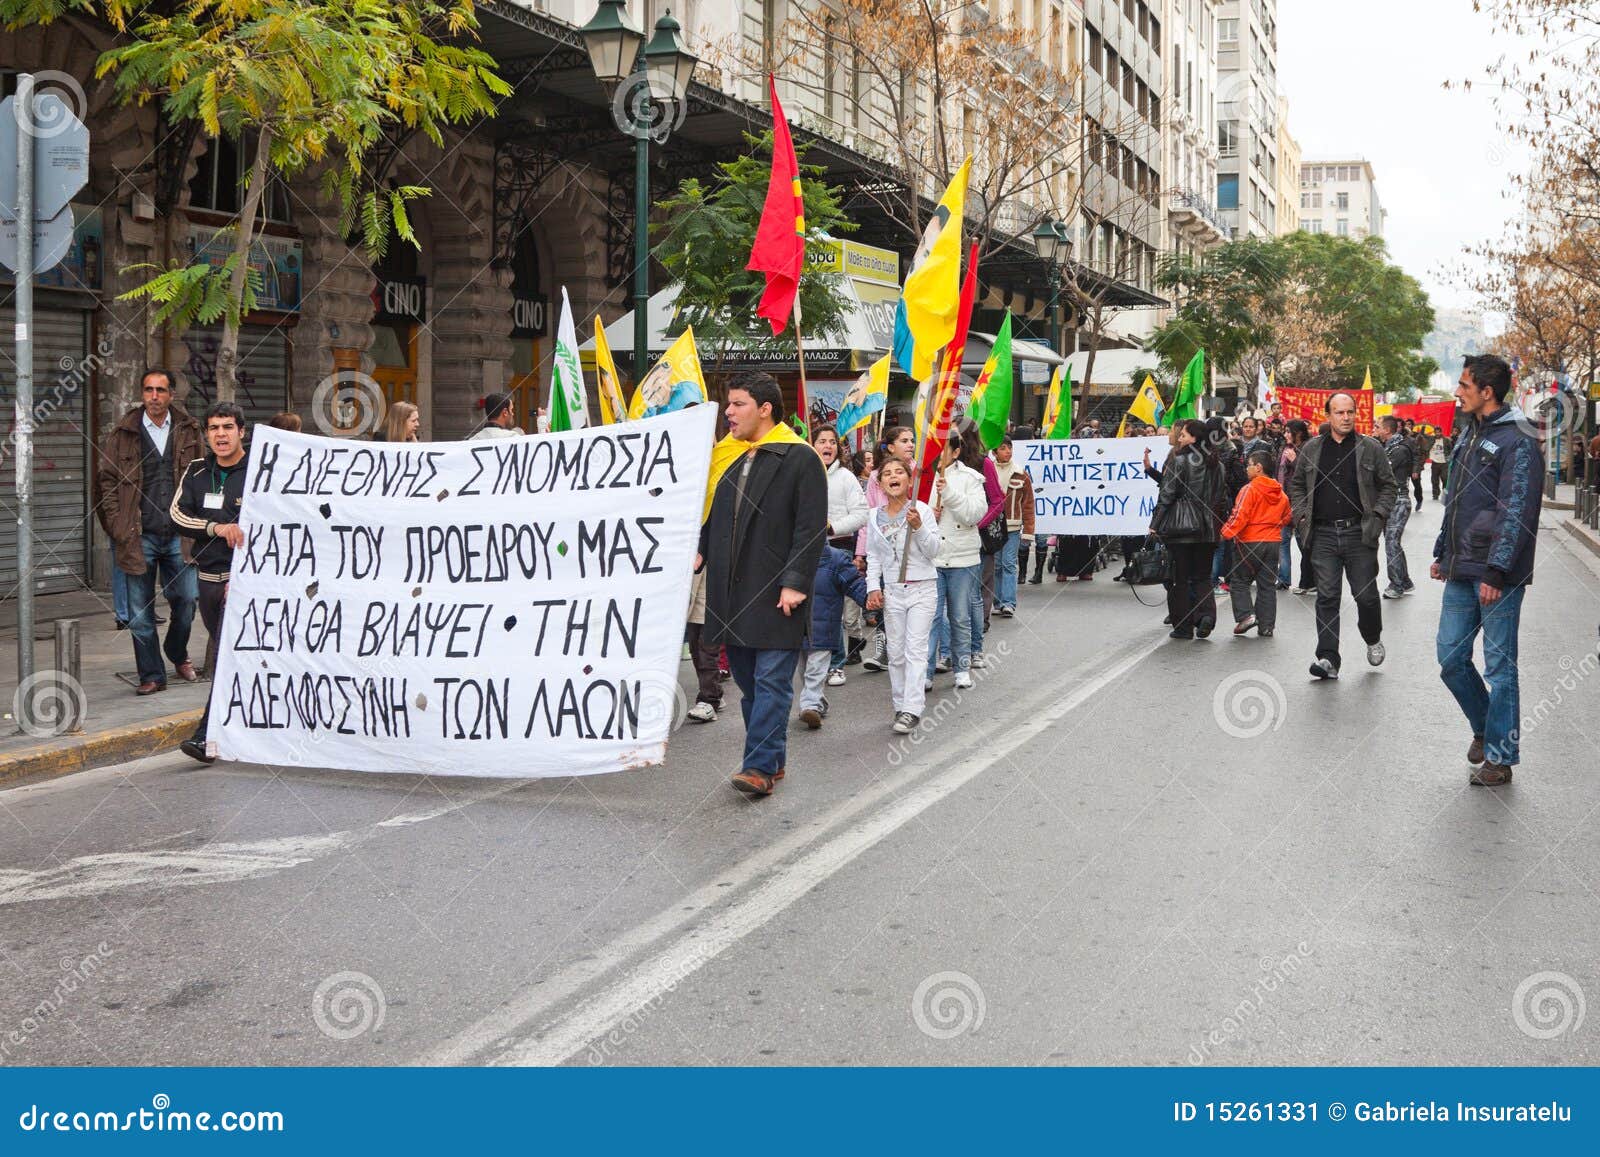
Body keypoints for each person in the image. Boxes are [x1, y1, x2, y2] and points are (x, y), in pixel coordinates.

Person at [699, 371, 827, 797]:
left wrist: (795, 582)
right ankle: (774, 758)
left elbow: (811, 528)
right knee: (750, 683)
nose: (729, 413)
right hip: (731, 593)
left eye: (738, 404)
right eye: (729, 404)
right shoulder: (725, 456)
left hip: (776, 593)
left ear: (765, 408)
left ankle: (757, 767)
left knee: (772, 682)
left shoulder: (800, 458)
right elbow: (711, 516)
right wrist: (698, 549)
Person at [1432, 354, 1543, 787]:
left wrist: (1496, 572)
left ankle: (1500, 756)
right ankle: (1485, 727)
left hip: (1497, 574)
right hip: (1462, 567)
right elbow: (1457, 499)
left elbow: (1516, 510)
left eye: (1463, 385)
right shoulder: (1471, 432)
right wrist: (1445, 551)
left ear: (1487, 391)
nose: (1457, 392)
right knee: (1450, 658)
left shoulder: (1518, 438)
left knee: (1499, 667)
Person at [94, 369, 204, 696]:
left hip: (180, 534)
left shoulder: (189, 430)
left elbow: (202, 474)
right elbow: (106, 483)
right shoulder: (123, 433)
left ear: (171, 395)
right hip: (138, 535)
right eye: (148, 390)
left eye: (160, 390)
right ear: (142, 394)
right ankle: (152, 675)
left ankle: (176, 650)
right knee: (140, 614)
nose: (154, 396)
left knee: (187, 599)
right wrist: (117, 527)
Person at [1286, 391, 1397, 680]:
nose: (1346, 417)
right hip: (1321, 534)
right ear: (1328, 416)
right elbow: (1296, 485)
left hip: (1359, 534)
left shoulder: (1370, 447)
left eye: (1350, 412)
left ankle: (1372, 637)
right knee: (1327, 596)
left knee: (1367, 596)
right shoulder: (1311, 449)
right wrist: (1300, 516)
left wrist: (1378, 517)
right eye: (1339, 412)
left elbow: (1389, 486)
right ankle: (1328, 658)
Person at [172, 403, 249, 763]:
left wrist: (248, 576)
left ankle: (206, 737)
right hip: (208, 579)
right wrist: (215, 528)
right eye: (214, 428)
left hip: (246, 583)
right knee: (234, 655)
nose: (220, 434)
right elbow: (178, 515)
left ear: (242, 432)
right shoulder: (198, 470)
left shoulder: (259, 472)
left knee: (226, 656)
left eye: (228, 427)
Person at [863, 456, 941, 734]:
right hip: (893, 591)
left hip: (922, 588)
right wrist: (873, 586)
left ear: (910, 480)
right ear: (881, 482)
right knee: (895, 653)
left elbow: (934, 551)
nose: (893, 477)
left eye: (899, 472)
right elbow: (873, 555)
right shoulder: (874, 516)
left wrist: (918, 526)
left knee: (915, 650)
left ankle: (912, 709)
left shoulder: (921, 510)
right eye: (887, 473)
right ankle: (900, 704)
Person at [926, 429, 988, 690]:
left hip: (962, 559)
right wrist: (928, 514)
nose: (939, 455)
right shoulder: (921, 476)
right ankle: (926, 671)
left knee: (960, 616)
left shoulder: (971, 478)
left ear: (955, 452)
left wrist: (949, 494)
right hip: (931, 558)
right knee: (931, 618)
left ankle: (961, 667)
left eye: (944, 449)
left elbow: (974, 514)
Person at [1150, 419, 1223, 639]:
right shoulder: (1216, 464)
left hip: (1180, 529)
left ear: (1194, 438)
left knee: (1179, 578)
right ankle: (1207, 615)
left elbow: (1167, 494)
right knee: (1202, 577)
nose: (1179, 439)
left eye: (1183, 435)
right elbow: (1219, 496)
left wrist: (1155, 524)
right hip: (1208, 529)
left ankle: (1183, 627)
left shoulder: (1179, 461)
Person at [811, 424, 868, 686]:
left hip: (837, 547)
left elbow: (861, 514)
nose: (827, 446)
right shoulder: (805, 473)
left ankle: (836, 664)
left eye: (832, 442)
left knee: (834, 610)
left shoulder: (846, 477)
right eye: (822, 441)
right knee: (816, 610)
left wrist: (832, 526)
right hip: (808, 548)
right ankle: (817, 662)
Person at [858, 424, 916, 672]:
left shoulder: (920, 472)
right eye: (904, 440)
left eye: (912, 440)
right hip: (884, 548)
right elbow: (867, 517)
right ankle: (885, 649)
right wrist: (861, 552)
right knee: (884, 596)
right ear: (890, 447)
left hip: (913, 548)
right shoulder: (874, 477)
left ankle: (914, 651)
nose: (910, 445)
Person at [1221, 450, 1292, 637]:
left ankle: (1246, 616)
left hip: (1250, 541)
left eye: (1249, 465)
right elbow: (1286, 517)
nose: (1246, 469)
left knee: (1239, 581)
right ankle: (1267, 626)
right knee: (1267, 585)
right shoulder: (1281, 493)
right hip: (1273, 542)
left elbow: (1239, 515)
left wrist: (1226, 533)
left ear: (1258, 467)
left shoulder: (1249, 489)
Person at [796, 545, 868, 729]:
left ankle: (810, 705)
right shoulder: (789, 555)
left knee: (815, 670)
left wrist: (870, 599)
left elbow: (853, 583)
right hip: (796, 628)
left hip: (825, 628)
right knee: (805, 671)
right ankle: (817, 703)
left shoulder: (835, 559)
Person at [989, 437, 1035, 617]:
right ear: (994, 452)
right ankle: (998, 601)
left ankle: (1009, 603)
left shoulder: (1020, 474)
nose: (1008, 451)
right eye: (1003, 448)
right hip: (993, 527)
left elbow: (1028, 505)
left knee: (1008, 564)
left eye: (1010, 448)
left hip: (1013, 527)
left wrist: (1029, 531)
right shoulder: (987, 471)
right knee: (997, 565)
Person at [1379, 415, 1416, 599]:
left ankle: (1397, 584)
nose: (1375, 429)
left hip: (1399, 501)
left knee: (1391, 542)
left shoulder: (1399, 450)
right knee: (1392, 543)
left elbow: (1383, 472)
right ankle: (1405, 580)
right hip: (1390, 501)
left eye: (1378, 426)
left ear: (1387, 430)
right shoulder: (1388, 448)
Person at [683, 568, 721, 724]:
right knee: (695, 650)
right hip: (692, 593)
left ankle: (709, 699)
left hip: (712, 594)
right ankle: (714, 691)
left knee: (707, 652)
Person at [1277, 419, 1311, 591]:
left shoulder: (1307, 448)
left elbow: (1309, 475)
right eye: (1285, 431)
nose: (1286, 435)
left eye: (1289, 432)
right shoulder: (1284, 448)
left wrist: (1296, 460)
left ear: (1299, 433)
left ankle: (1310, 579)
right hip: (1282, 502)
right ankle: (1283, 578)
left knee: (1302, 541)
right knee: (1282, 541)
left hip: (1299, 502)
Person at [1428, 428, 1451, 500]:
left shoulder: (1446, 440)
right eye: (1436, 432)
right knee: (1434, 479)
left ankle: (1445, 494)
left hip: (1444, 462)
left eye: (1439, 432)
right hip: (1435, 462)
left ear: (1441, 432)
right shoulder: (1431, 439)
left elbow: (1450, 449)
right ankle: (1435, 494)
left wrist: (1449, 458)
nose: (1437, 434)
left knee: (1445, 478)